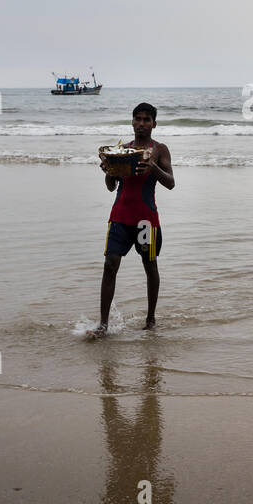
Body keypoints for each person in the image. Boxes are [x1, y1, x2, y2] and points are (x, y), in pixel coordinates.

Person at [92, 103, 175, 337]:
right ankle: (103, 324)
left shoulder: (159, 150)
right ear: (132, 122)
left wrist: (153, 166)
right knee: (110, 266)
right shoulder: (122, 150)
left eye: (146, 119)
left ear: (154, 124)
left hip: (145, 221)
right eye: (137, 119)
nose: (141, 123)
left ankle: (150, 320)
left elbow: (170, 182)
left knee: (150, 266)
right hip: (119, 218)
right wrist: (108, 171)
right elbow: (111, 187)